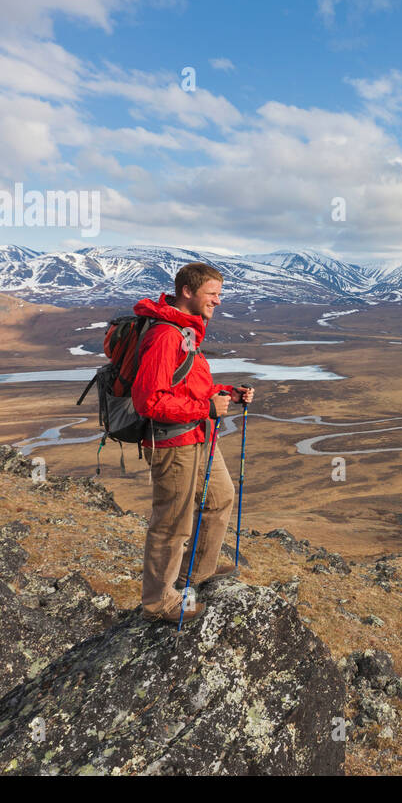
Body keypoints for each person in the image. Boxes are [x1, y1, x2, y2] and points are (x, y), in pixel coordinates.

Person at [131, 262, 254, 623]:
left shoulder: (187, 331)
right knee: (172, 522)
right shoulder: (167, 335)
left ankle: (196, 573)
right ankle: (158, 602)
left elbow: (189, 386)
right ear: (188, 291)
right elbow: (148, 400)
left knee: (220, 496)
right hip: (174, 443)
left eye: (219, 294)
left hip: (199, 433)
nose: (218, 300)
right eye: (212, 293)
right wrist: (205, 406)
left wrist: (226, 392)